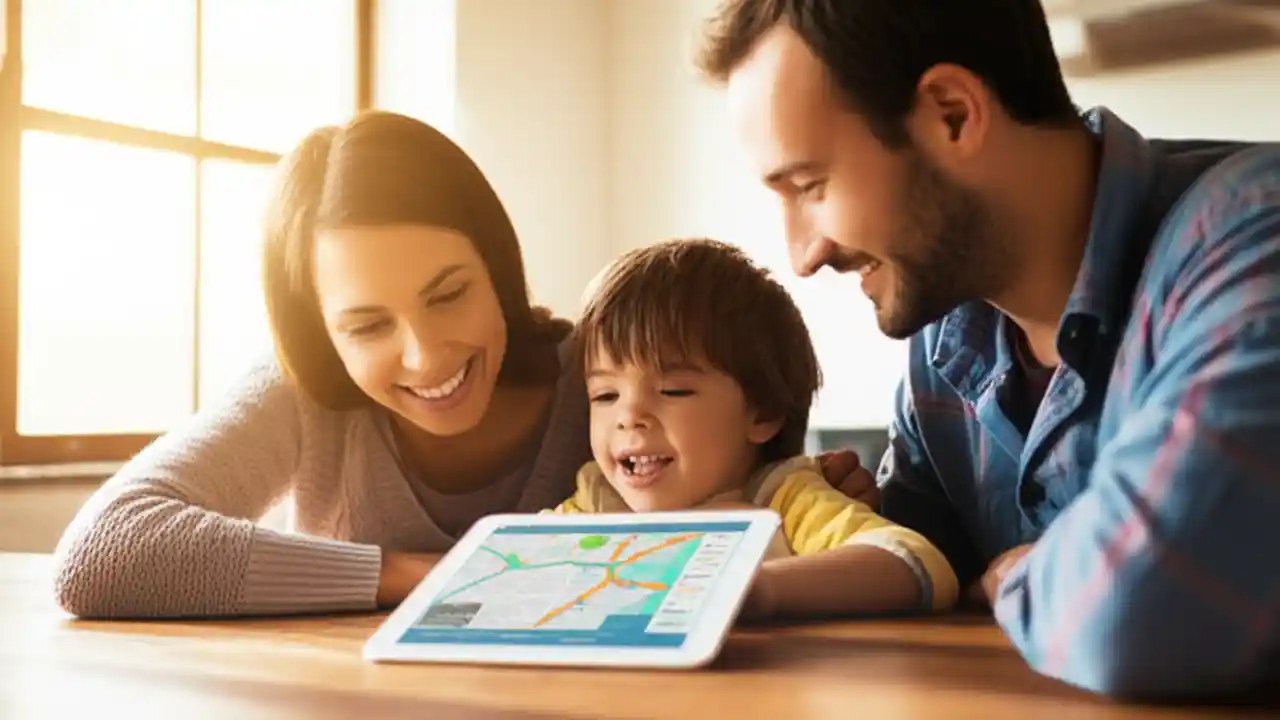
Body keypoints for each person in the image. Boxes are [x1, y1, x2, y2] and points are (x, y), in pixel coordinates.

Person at [51, 111, 869, 619]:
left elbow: (722, 474)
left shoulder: (599, 379)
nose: (426, 355)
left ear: (497, 268)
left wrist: (797, 484)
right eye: (367, 324)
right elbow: (104, 553)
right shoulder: (302, 392)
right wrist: (416, 575)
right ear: (323, 332)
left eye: (448, 294)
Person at [696, 0, 1280, 701]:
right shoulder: (944, 339)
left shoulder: (1253, 244)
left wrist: (1018, 575)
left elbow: (1141, 613)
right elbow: (924, 568)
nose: (803, 254)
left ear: (953, 113)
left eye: (811, 187)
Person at [549, 238, 958, 619]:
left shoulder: (783, 497)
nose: (629, 415)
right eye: (605, 395)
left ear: (761, 414)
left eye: (673, 390)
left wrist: (751, 589)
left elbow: (916, 563)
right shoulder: (596, 502)